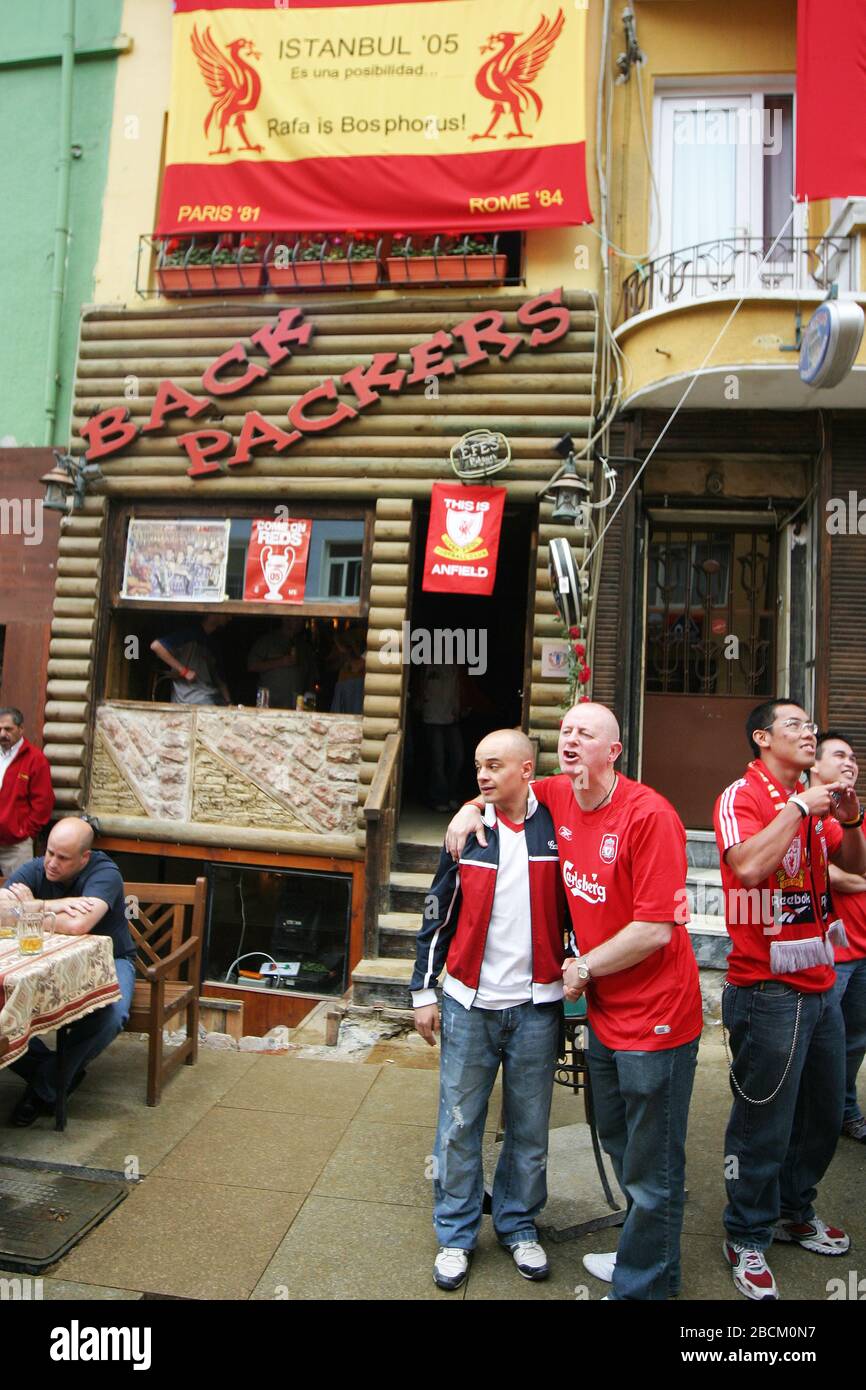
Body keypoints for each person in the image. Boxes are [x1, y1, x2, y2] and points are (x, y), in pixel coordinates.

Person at [446, 703, 702, 1301]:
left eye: (586, 733)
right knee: (617, 1141)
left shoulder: (649, 815)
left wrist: (582, 966)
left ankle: (646, 1286)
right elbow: (503, 786)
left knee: (654, 1164)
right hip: (606, 1013)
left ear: (613, 751)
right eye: (565, 731)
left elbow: (655, 928)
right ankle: (642, 1254)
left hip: (659, 1014)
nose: (571, 740)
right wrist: (468, 807)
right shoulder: (558, 796)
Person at [714, 699, 866, 1300]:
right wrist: (800, 805)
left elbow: (851, 865)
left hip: (822, 974)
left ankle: (793, 1209)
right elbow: (749, 868)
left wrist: (850, 820)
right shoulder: (742, 796)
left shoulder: (814, 798)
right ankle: (745, 1234)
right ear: (762, 738)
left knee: (824, 1111)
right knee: (763, 1121)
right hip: (765, 987)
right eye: (795, 726)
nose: (809, 734)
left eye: (810, 726)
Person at [412, 729, 566, 1291]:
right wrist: (422, 990)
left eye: (494, 765)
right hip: (467, 1002)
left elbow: (577, 908)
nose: (481, 774)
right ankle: (454, 1235)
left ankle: (518, 1224)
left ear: (526, 771)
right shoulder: (467, 831)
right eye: (478, 766)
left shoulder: (558, 829)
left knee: (530, 1127)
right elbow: (436, 912)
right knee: (458, 1124)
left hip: (537, 1005)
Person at [1, 818, 138, 1126]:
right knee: (5, 1005)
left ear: (84, 858)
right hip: (46, 960)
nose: (51, 863)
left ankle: (44, 1088)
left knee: (113, 1015)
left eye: (62, 858)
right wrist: (59, 905)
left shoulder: (105, 873)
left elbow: (79, 925)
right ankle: (55, 1073)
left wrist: (31, 907)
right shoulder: (35, 868)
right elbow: (0, 911)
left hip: (112, 958)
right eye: (49, 852)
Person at [810, 731, 866, 1144]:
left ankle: (844, 1109)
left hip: (864, 949)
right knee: (822, 1041)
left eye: (853, 757)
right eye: (839, 755)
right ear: (815, 764)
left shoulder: (854, 815)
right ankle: (816, 1115)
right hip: (833, 950)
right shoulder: (808, 814)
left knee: (855, 1041)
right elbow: (827, 875)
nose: (850, 762)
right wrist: (856, 879)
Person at [0, 707, 55, 879]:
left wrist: (25, 831)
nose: (3, 734)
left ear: (21, 729)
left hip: (16, 845)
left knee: (19, 892)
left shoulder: (34, 759)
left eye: (8, 729)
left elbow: (44, 801)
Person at [150, 614, 231, 705]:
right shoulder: (190, 634)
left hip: (213, 696)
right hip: (192, 698)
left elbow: (220, 679)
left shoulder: (213, 642)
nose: (230, 618)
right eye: (227, 614)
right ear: (214, 614)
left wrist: (229, 703)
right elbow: (156, 646)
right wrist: (184, 671)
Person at [418, 661, 463, 812]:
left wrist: (458, 707)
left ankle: (452, 795)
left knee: (458, 757)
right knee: (438, 761)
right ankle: (439, 798)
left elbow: (457, 687)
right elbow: (420, 687)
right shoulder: (427, 663)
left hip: (451, 716)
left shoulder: (455, 663)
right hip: (432, 717)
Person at [247, 617, 316, 709]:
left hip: (295, 705)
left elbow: (311, 676)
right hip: (271, 704)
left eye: (302, 620)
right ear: (285, 620)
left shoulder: (304, 646)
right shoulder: (268, 641)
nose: (301, 622)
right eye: (297, 619)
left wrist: (309, 704)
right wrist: (281, 662)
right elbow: (252, 666)